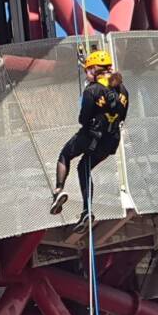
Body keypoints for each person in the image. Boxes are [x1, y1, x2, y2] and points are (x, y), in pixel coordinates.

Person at [50, 49, 129, 232]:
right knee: (84, 167)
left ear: (94, 70)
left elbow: (83, 119)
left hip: (91, 135)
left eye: (87, 70)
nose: (86, 74)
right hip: (110, 141)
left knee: (65, 155)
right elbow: (122, 115)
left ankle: (58, 191)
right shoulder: (123, 90)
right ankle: (87, 210)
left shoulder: (91, 90)